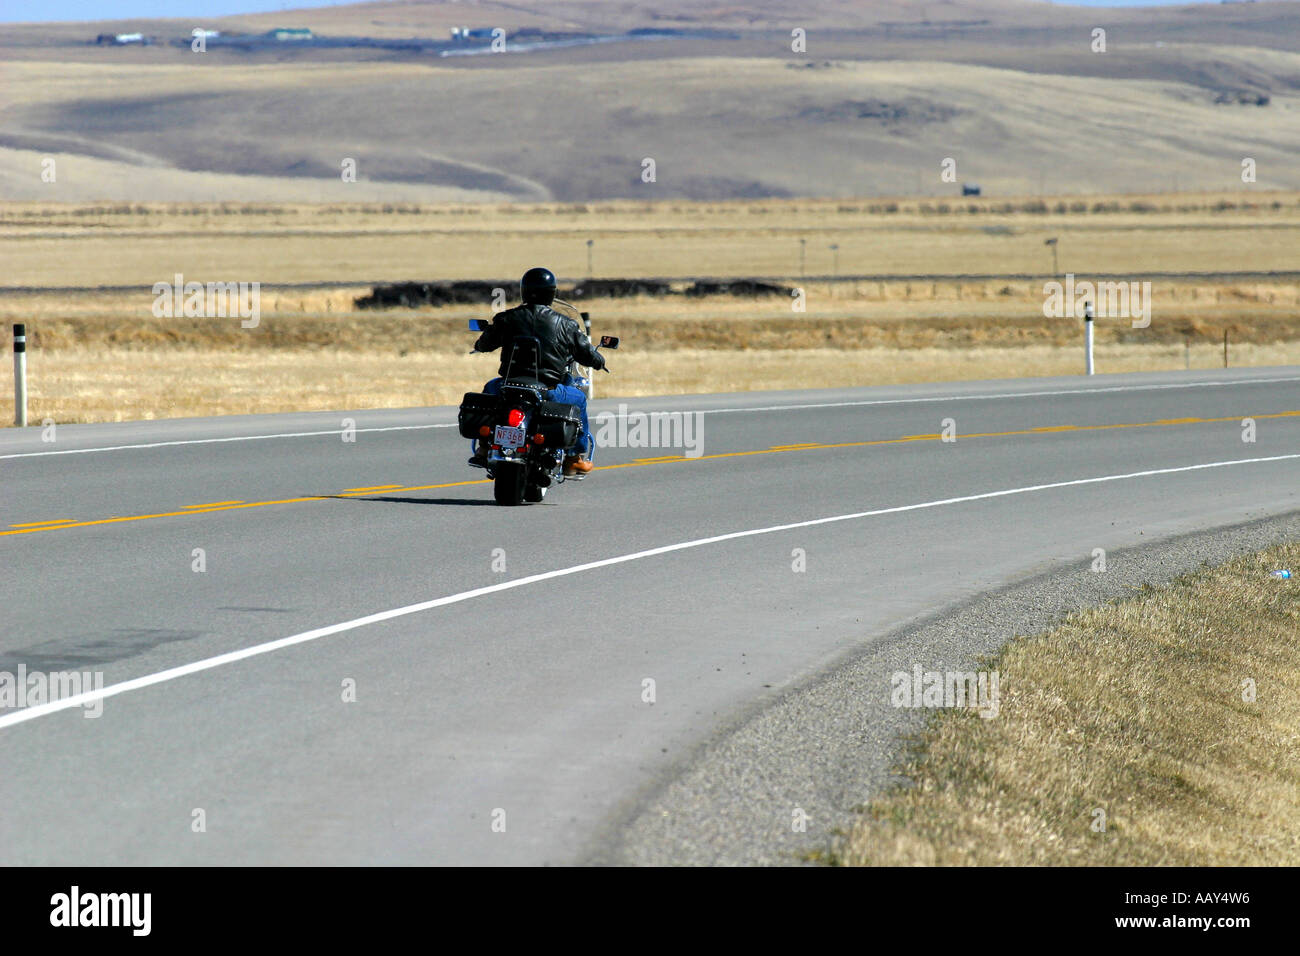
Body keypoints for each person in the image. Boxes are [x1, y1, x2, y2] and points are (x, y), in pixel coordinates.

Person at [472, 267, 605, 475]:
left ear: (524, 291)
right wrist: (599, 361)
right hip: (548, 390)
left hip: (509, 387)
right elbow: (586, 353)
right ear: (552, 293)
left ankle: (483, 448)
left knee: (490, 388)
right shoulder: (566, 325)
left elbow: (485, 343)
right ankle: (574, 458)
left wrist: (479, 345)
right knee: (578, 398)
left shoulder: (506, 318)